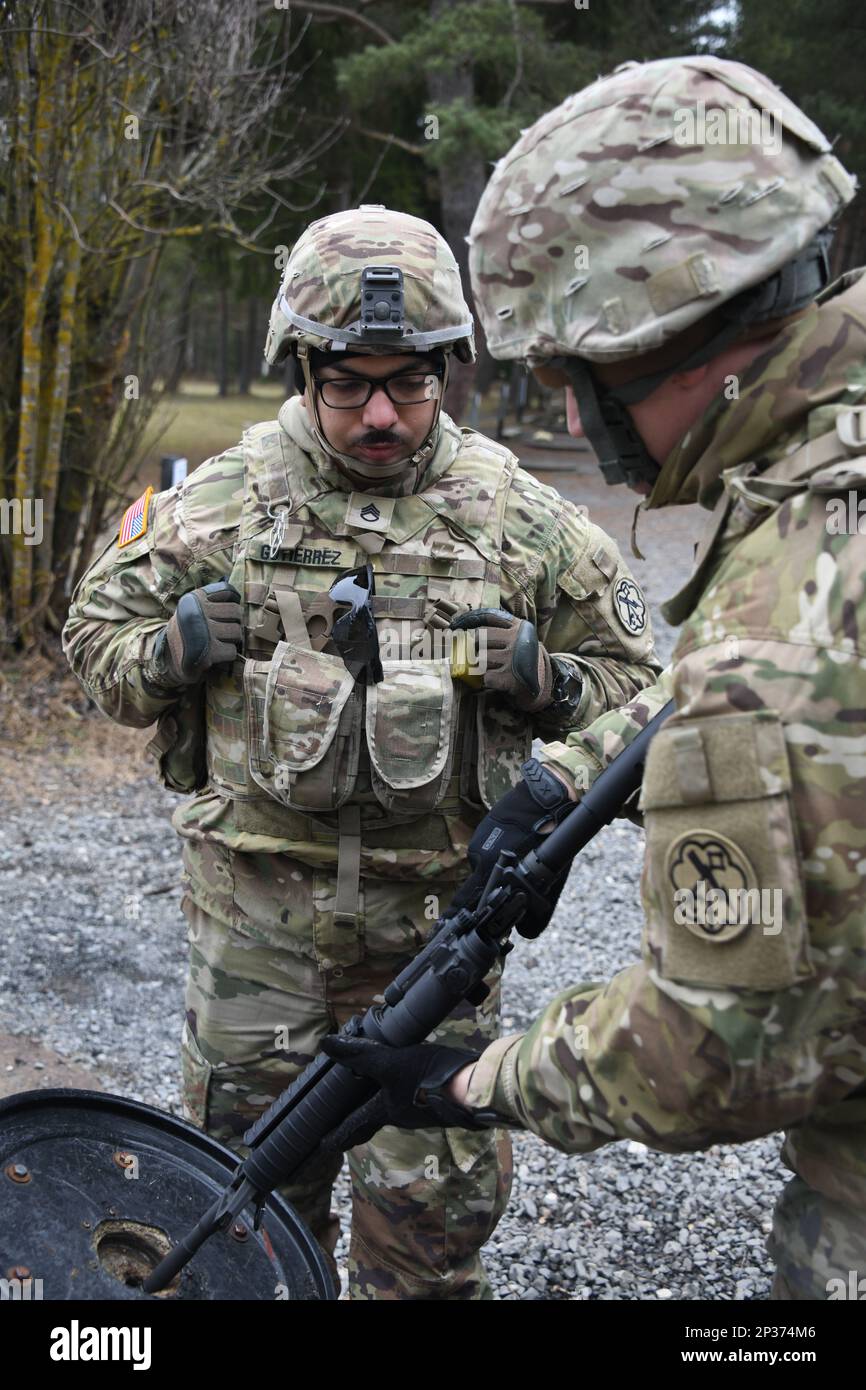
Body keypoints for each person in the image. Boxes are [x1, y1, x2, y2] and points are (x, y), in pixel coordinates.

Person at [320, 61, 866, 1301]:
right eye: (347, 377)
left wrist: (470, 1080)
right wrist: (576, 775)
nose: (565, 400)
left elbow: (715, 1045)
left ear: (651, 333)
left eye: (570, 364)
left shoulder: (772, 603)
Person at [62, 204, 660, 1300]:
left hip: (434, 953)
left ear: (445, 370)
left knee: (427, 1252)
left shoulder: (516, 519)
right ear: (301, 368)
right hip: (254, 950)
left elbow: (645, 704)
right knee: (241, 1243)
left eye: (408, 383)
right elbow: (94, 646)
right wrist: (173, 649)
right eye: (347, 383)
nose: (380, 413)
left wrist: (546, 680)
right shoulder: (222, 504)